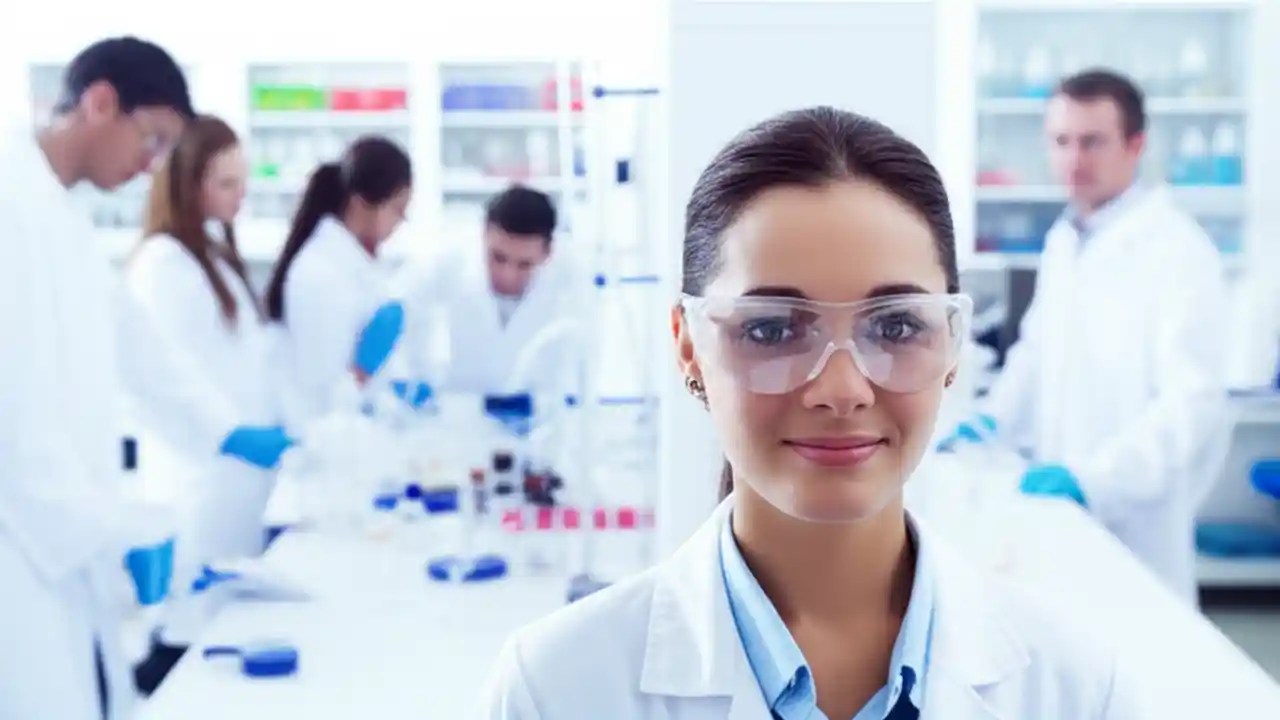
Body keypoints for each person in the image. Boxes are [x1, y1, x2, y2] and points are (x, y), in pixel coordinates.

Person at [482, 107, 1141, 718]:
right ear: (689, 346)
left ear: (953, 344)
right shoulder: (556, 690)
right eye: (771, 329)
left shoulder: (1077, 693)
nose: (842, 388)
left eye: (896, 326)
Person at [960, 69, 1228, 604]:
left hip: (1135, 518)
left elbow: (1191, 405)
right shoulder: (1066, 238)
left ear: (1136, 146)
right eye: (1061, 141)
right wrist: (991, 417)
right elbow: (1036, 351)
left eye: (1092, 142)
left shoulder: (1177, 250)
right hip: (1063, 511)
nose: (1073, 159)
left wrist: (1096, 480)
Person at [0, 37, 193, 720]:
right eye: (152, 137)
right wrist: (112, 530)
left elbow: (143, 355)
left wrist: (232, 431)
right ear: (101, 102)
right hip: (22, 550)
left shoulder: (63, 220)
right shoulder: (9, 205)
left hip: (59, 545)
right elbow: (11, 423)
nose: (153, 164)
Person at [123, 116, 294, 690]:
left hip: (235, 481)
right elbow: (164, 379)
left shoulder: (213, 255)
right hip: (197, 477)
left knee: (220, 643)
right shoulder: (164, 264)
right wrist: (230, 434)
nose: (239, 194)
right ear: (188, 182)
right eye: (226, 183)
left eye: (241, 181)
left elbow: (248, 359)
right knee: (183, 646)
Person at [367, 185, 583, 400]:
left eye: (525, 264)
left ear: (548, 252)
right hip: (462, 414)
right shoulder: (451, 257)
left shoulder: (572, 274)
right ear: (484, 235)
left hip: (541, 417)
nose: (508, 275)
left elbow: (587, 356)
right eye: (497, 257)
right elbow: (398, 305)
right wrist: (410, 376)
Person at [264, 136, 413, 428]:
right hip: (328, 448)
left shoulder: (355, 263)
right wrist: (363, 370)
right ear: (361, 204)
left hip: (356, 438)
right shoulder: (320, 274)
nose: (401, 221)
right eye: (397, 209)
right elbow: (320, 398)